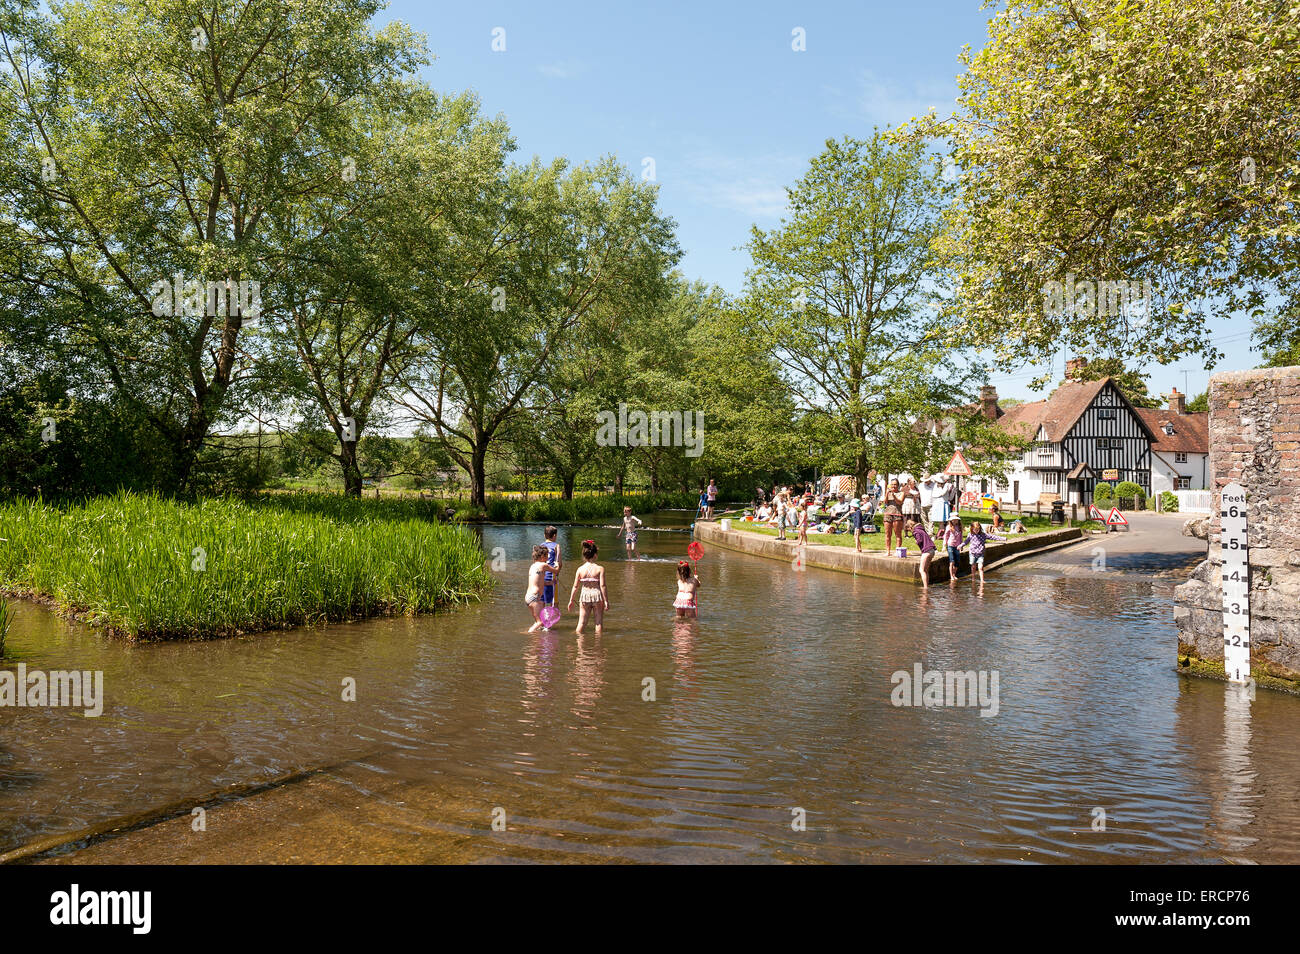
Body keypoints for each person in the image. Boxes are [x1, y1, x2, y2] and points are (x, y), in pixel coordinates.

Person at [568, 539, 607, 635]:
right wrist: (606, 600)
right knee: (598, 623)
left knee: (581, 622)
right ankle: (598, 646)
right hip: (597, 595)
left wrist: (571, 600)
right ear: (595, 555)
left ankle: (580, 647)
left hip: (584, 595)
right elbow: (603, 586)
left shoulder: (580, 569)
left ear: (584, 556)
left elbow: (575, 586)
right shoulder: (600, 569)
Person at [905, 516, 937, 589]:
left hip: (926, 551)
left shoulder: (915, 531)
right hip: (932, 550)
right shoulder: (921, 529)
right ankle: (927, 586)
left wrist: (917, 542)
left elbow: (919, 540)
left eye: (909, 530)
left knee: (921, 570)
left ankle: (925, 588)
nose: (910, 532)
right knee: (925, 570)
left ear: (910, 527)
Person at [525, 545, 550, 632]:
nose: (548, 558)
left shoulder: (532, 566)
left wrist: (550, 583)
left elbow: (538, 582)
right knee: (540, 622)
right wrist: (558, 564)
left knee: (538, 622)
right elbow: (556, 570)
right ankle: (528, 634)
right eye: (547, 556)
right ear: (542, 557)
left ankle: (537, 638)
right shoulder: (543, 564)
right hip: (534, 597)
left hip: (529, 597)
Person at [541, 525, 562, 606]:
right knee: (554, 602)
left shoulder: (541, 546)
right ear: (554, 535)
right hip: (551, 576)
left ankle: (542, 617)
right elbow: (559, 563)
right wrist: (557, 573)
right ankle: (554, 617)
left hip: (541, 575)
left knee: (542, 600)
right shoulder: (557, 546)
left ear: (544, 535)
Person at [883, 479, 905, 554]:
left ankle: (897, 551)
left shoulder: (901, 493)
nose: (893, 486)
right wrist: (886, 493)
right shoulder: (888, 492)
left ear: (898, 485)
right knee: (887, 533)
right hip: (888, 513)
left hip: (897, 514)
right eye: (892, 484)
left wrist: (893, 495)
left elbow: (900, 502)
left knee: (898, 534)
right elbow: (885, 502)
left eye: (895, 484)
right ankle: (888, 551)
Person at [942, 516, 964, 583]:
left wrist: (961, 545)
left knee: (957, 562)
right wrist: (944, 545)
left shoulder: (959, 527)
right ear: (951, 521)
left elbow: (961, 537)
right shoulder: (949, 527)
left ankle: (954, 574)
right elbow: (946, 536)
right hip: (950, 545)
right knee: (952, 561)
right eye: (953, 520)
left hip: (957, 546)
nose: (955, 521)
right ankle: (951, 575)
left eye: (956, 520)